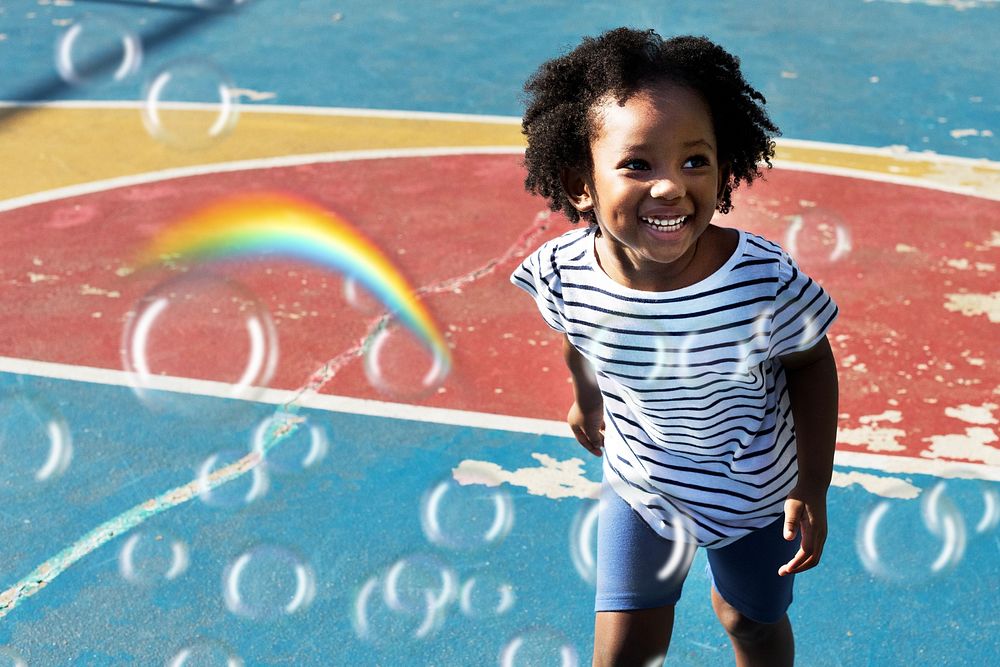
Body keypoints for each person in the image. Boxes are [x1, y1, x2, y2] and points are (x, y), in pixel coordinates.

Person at [510, 28, 840, 667]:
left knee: (751, 622)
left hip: (755, 493)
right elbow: (577, 334)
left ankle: (745, 623)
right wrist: (586, 398)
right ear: (581, 183)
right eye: (637, 164)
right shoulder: (560, 272)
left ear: (725, 172)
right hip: (646, 486)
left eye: (695, 161)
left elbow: (811, 362)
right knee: (624, 654)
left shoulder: (761, 282)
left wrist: (813, 482)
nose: (669, 187)